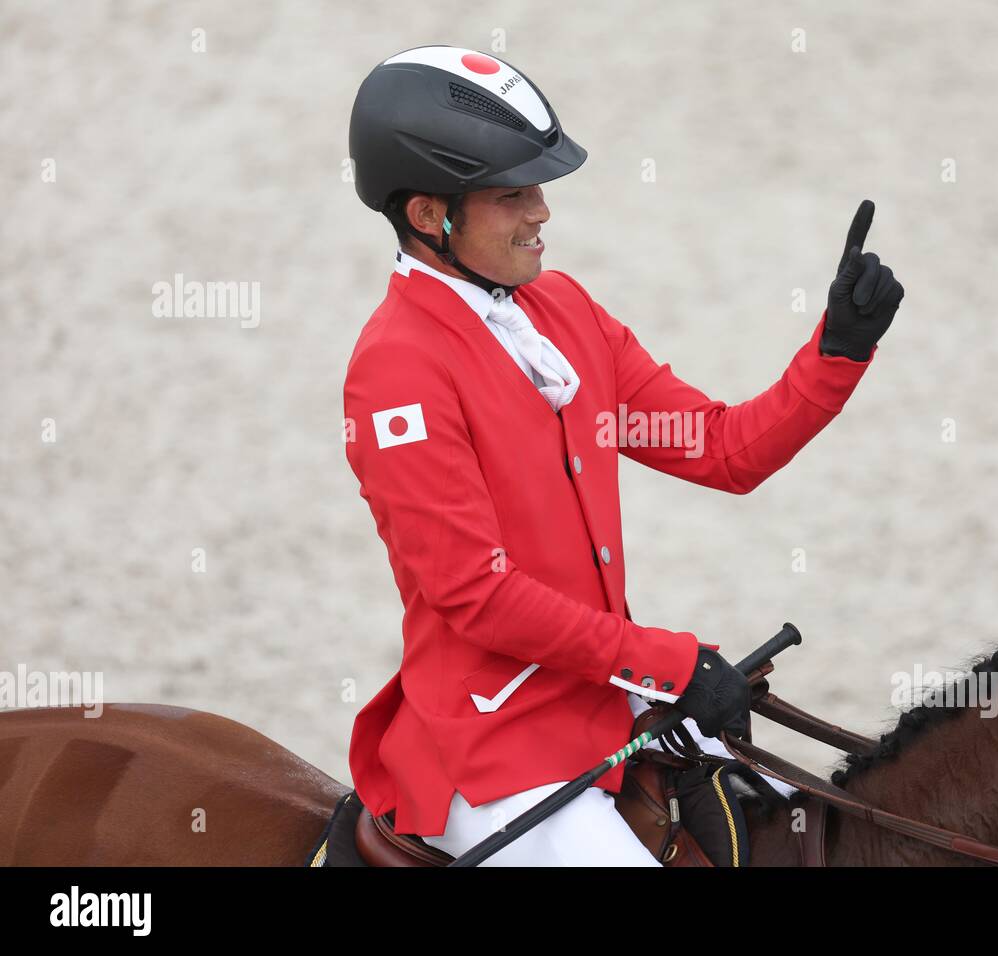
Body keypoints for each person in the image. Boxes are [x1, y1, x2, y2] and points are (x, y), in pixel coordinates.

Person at [342, 44, 904, 865]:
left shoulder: (561, 310)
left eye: (537, 189)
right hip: (494, 749)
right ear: (430, 216)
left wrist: (839, 350)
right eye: (512, 195)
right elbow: (477, 594)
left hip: (608, 706)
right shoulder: (396, 368)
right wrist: (670, 663)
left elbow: (720, 450)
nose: (541, 213)